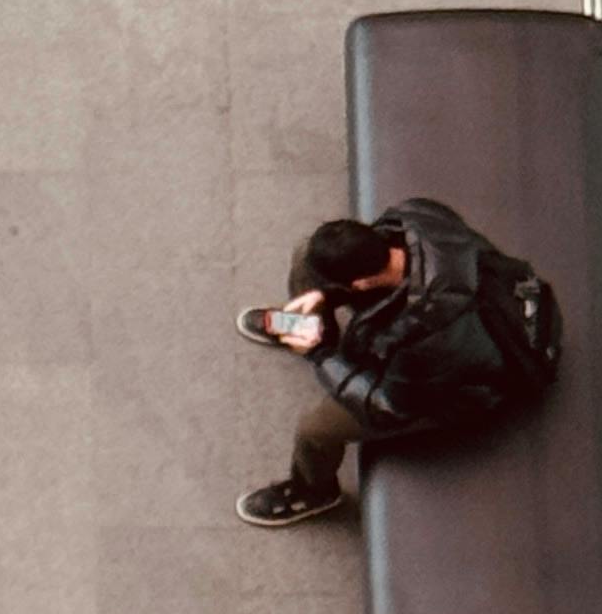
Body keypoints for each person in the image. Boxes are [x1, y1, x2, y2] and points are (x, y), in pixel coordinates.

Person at [234, 203, 562, 530]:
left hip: (456, 388)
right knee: (308, 254)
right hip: (451, 327)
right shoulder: (415, 218)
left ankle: (313, 491)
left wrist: (320, 354)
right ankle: (306, 325)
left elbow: (386, 405)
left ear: (361, 284)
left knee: (316, 429)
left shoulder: (427, 339)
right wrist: (321, 293)